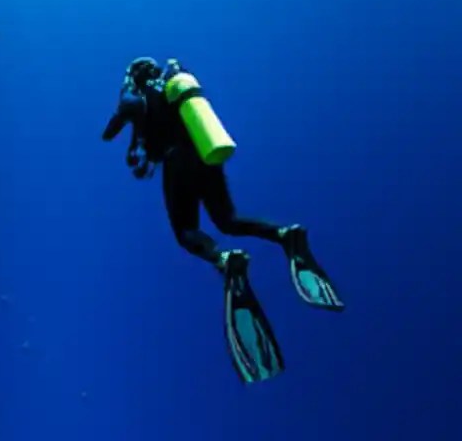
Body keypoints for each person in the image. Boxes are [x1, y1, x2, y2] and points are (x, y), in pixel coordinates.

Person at [101, 56, 342, 383]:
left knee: (186, 232)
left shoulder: (136, 97)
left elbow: (109, 131)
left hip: (177, 162)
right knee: (228, 220)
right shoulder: (175, 87)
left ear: (135, 77)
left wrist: (124, 97)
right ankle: (285, 235)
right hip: (206, 155)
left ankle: (224, 259)